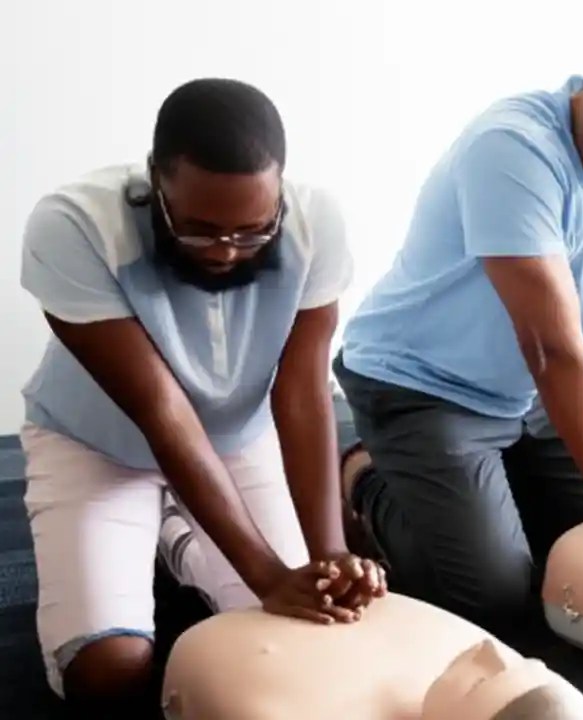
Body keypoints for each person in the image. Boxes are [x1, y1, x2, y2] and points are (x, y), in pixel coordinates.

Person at [333, 0, 583, 637]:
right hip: (423, 385)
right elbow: (551, 347)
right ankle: (365, 477)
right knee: (498, 601)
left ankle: (499, 485)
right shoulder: (513, 147)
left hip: (533, 391)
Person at [18, 78, 385, 715]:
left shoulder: (315, 223)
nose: (225, 251)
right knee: (109, 672)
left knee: (310, 629)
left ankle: (177, 540)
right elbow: (160, 413)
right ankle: (168, 520)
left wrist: (329, 557)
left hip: (235, 439)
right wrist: (268, 576)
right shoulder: (73, 224)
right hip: (98, 445)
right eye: (199, 230)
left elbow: (301, 395)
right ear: (156, 180)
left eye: (251, 231)